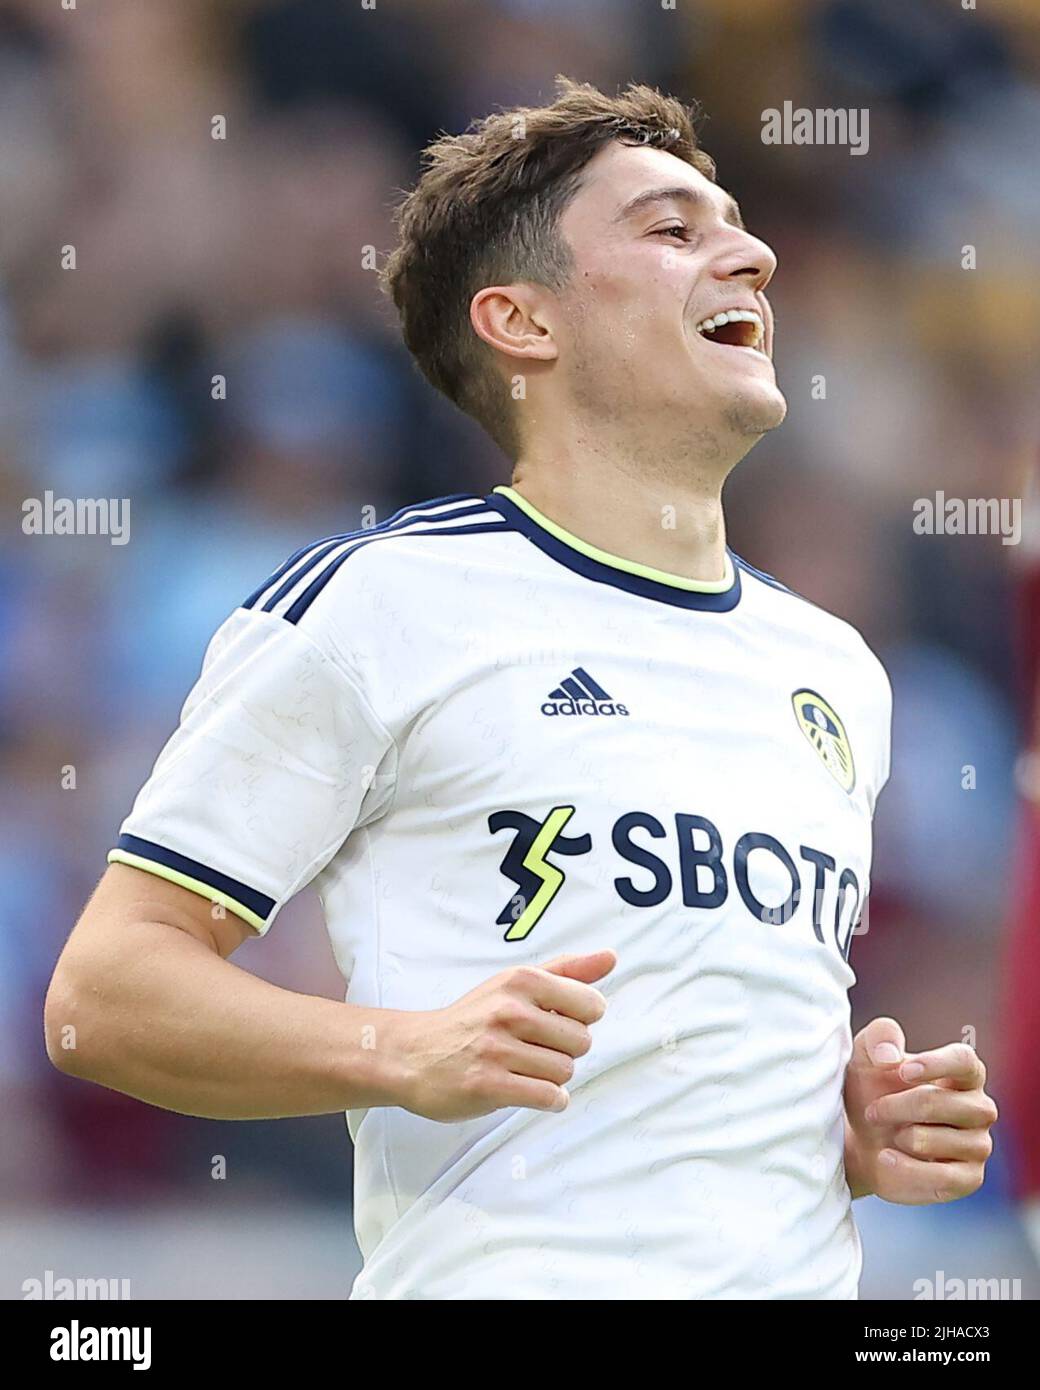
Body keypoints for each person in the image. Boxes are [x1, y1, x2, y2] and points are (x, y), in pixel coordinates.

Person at [46, 78, 997, 1300]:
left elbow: (669, 1084)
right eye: (671, 230)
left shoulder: (833, 669)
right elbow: (104, 994)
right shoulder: (382, 606)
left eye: (735, 224)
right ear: (521, 323)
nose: (750, 255)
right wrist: (400, 1051)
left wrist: (841, 1139)